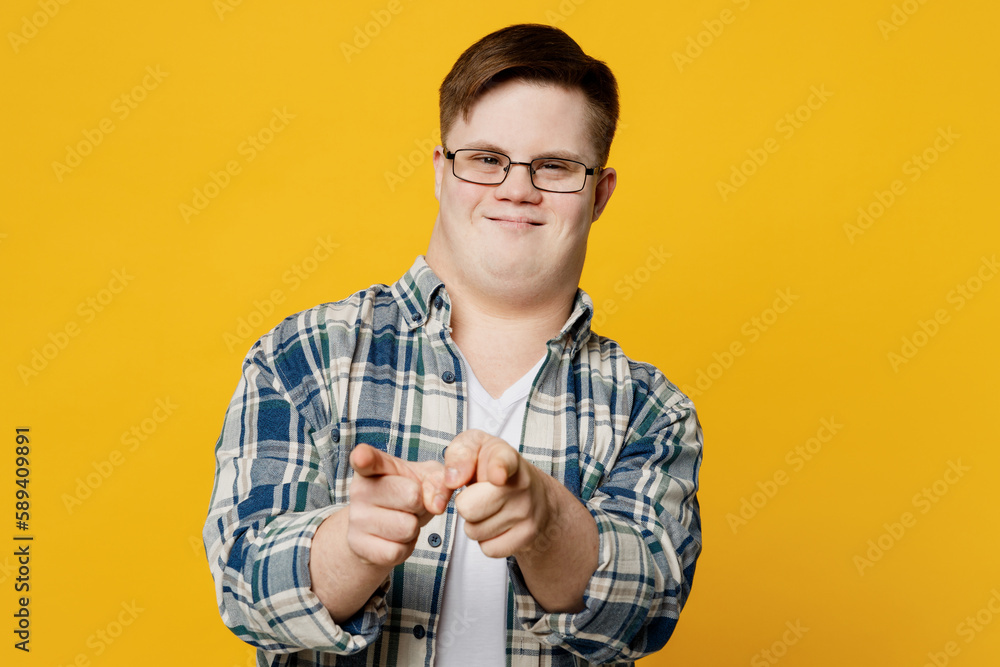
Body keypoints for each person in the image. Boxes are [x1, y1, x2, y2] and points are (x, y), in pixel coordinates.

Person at [203, 23, 702, 667]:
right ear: (442, 171)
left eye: (555, 166)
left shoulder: (652, 411)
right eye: (487, 158)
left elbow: (646, 610)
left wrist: (549, 522)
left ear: (599, 194)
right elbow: (243, 589)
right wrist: (352, 545)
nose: (516, 188)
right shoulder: (305, 356)